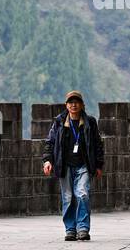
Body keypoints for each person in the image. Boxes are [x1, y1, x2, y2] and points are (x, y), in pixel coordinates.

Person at [42, 91, 104, 241]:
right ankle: (70, 229)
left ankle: (82, 228)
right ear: (66, 105)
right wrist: (47, 160)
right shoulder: (59, 121)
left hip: (84, 164)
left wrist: (99, 164)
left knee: (82, 194)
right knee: (68, 198)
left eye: (76, 102)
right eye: (70, 102)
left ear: (82, 105)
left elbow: (97, 144)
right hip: (65, 165)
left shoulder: (90, 122)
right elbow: (50, 142)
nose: (73, 105)